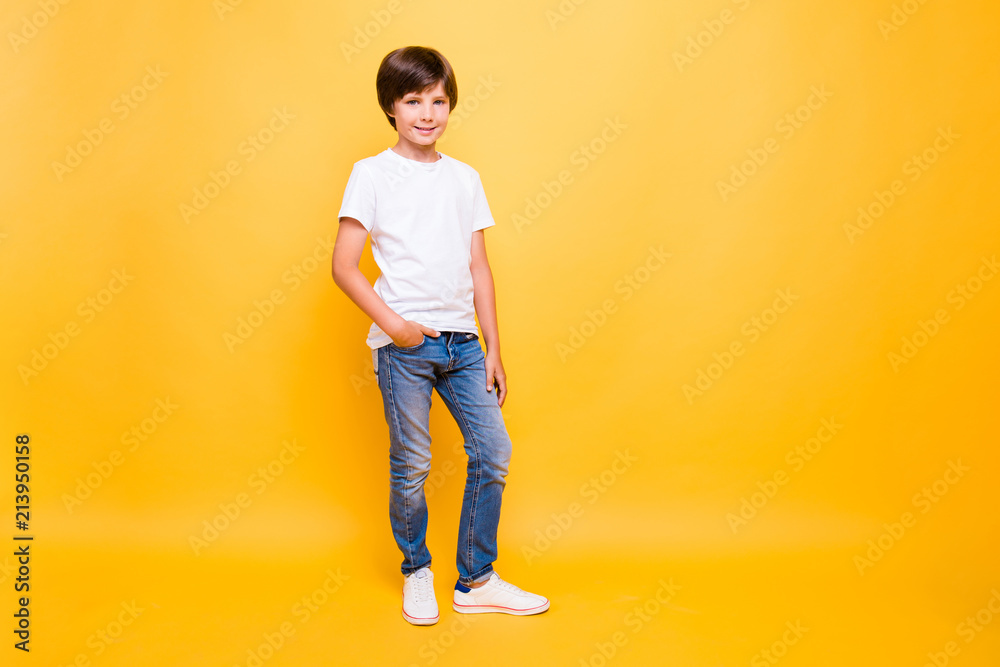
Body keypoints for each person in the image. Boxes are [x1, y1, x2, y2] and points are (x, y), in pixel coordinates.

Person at [331, 45, 549, 626]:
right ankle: (416, 570)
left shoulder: (464, 178)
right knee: (414, 464)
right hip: (406, 346)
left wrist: (494, 348)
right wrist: (396, 327)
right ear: (391, 108)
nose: (427, 113)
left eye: (438, 100)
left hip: (463, 345)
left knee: (493, 450)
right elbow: (344, 265)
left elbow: (479, 266)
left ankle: (476, 580)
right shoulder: (371, 174)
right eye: (413, 101)